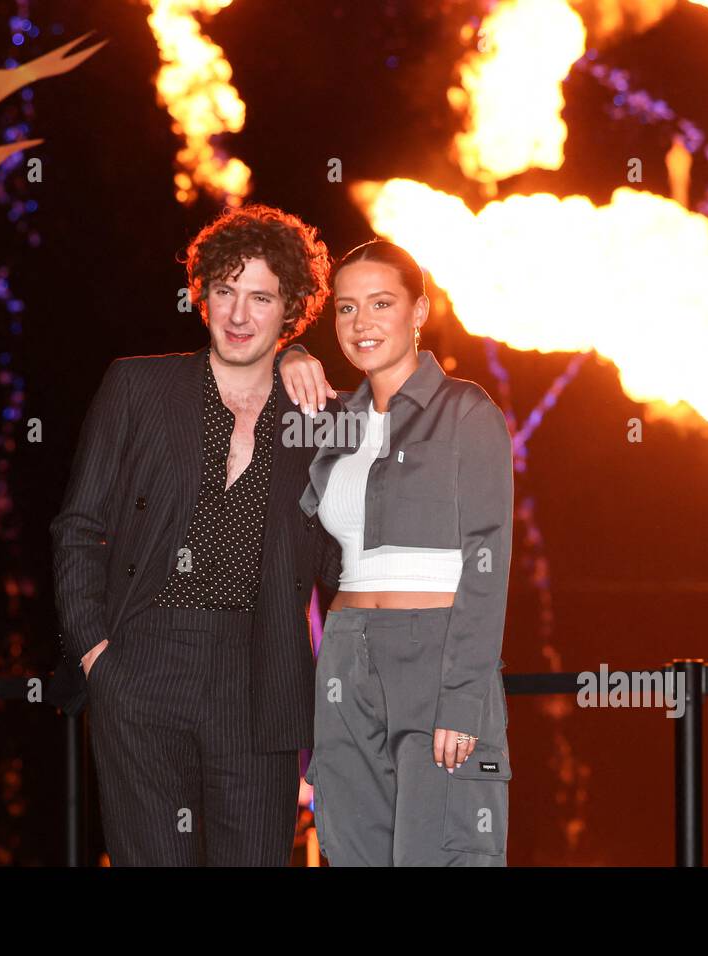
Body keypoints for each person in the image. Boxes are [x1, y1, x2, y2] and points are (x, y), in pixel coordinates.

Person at [47, 204, 342, 865]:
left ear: (290, 307)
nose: (238, 315)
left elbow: (345, 557)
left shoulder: (321, 416)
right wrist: (98, 658)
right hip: (144, 670)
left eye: (260, 297)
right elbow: (79, 527)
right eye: (225, 291)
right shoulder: (139, 387)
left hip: (260, 683)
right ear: (201, 293)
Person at [279, 239, 515, 866]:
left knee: (441, 851)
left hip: (437, 656)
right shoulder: (333, 423)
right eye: (347, 309)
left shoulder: (466, 412)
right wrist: (290, 355)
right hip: (346, 655)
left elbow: (489, 566)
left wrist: (463, 700)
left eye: (381, 304)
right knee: (352, 849)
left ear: (419, 310)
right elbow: (245, 405)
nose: (361, 324)